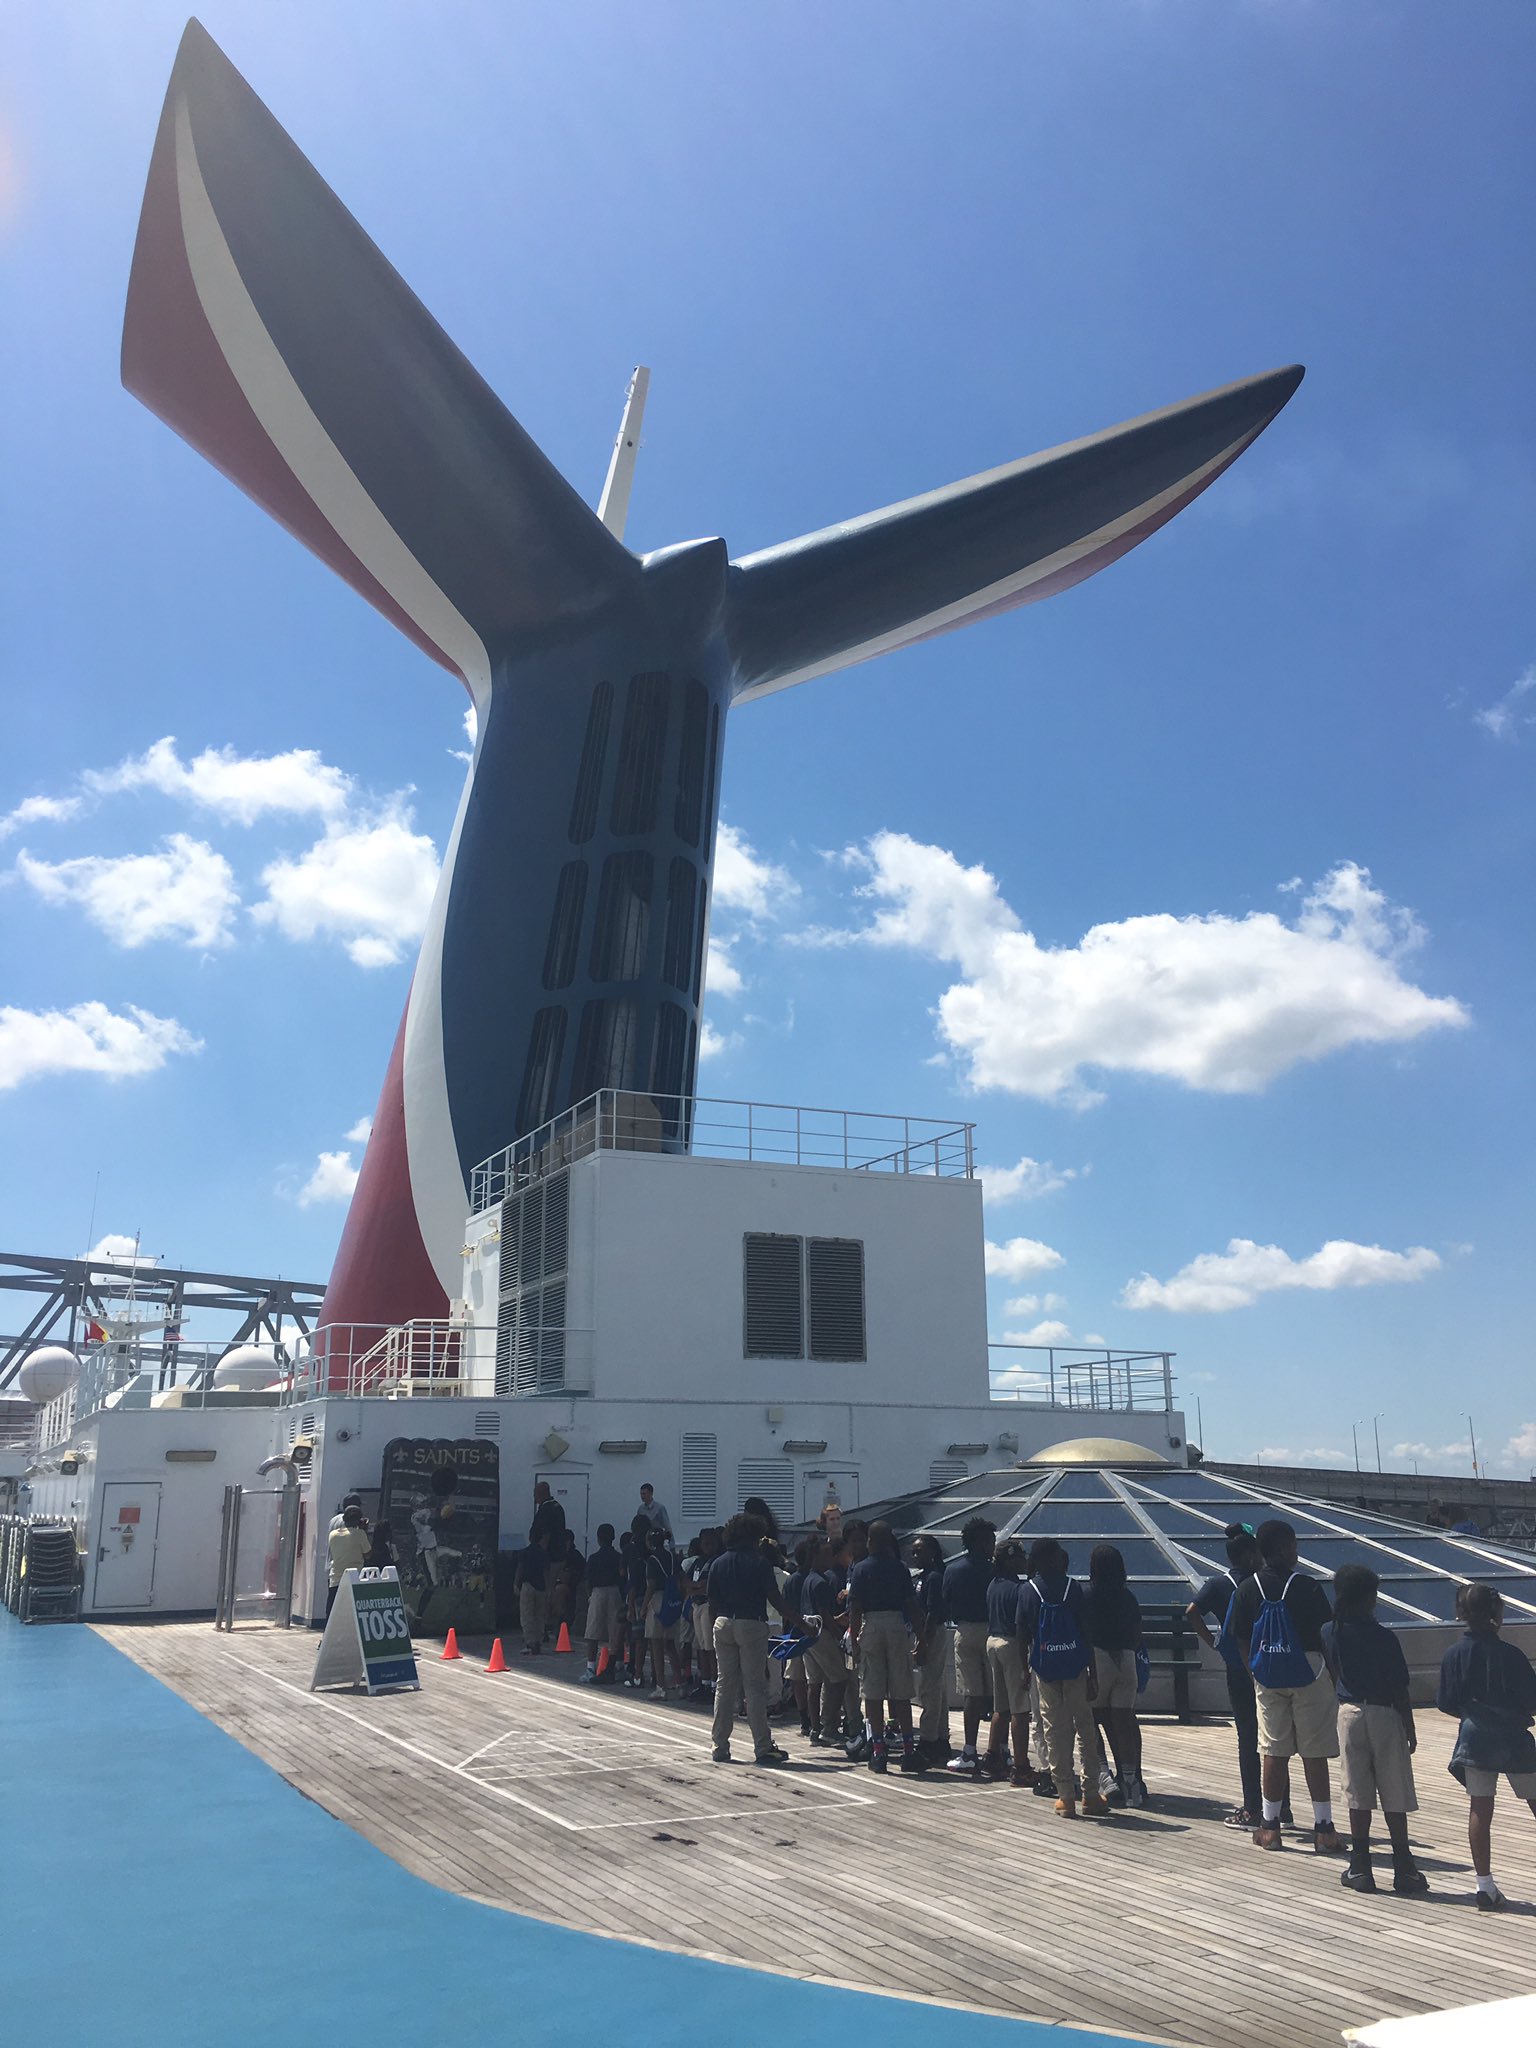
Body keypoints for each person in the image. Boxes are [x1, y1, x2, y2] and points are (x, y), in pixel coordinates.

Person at [1230, 1519, 1346, 1855]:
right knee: (1314, 1751)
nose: (1296, 1551)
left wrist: (1256, 1672)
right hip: (1309, 1673)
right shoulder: (1307, 1586)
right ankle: (1323, 1829)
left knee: (1273, 1750)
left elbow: (1240, 1637)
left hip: (1268, 1674)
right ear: (1283, 1548)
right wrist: (1333, 1676)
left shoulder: (1248, 1588)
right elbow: (1327, 1635)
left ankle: (1269, 1827)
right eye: (1293, 1545)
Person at [1322, 1564, 1428, 1896]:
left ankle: (1361, 1867)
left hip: (1349, 1712)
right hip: (1384, 1712)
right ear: (1370, 1598)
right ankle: (1404, 1868)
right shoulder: (1383, 1636)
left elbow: (1333, 1671)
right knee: (1393, 1790)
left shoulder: (1329, 1631)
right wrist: (1409, 1726)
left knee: (1358, 1792)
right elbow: (1399, 1687)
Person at [1436, 1581, 1536, 1912]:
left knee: (1481, 1808)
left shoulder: (1453, 1654)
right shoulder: (1512, 1655)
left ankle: (1485, 1886)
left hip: (1474, 1736)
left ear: (1460, 1613)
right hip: (1513, 1737)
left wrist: (1470, 1714)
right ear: (1497, 1614)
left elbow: (1445, 1701)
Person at [1020, 1537, 1109, 1818]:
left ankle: (1065, 1796)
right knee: (1084, 1727)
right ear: (1057, 1559)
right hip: (1075, 1667)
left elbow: (1023, 1634)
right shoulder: (1074, 1589)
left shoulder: (1029, 1590)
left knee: (1053, 1730)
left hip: (1045, 1670)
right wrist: (1092, 1672)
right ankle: (1091, 1794)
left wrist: (1025, 1670)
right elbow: (1087, 1634)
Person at [1187, 1523, 1266, 1829]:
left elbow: (1192, 1611)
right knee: (1275, 1737)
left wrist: (1213, 1643)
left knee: (1247, 1736)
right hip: (1268, 1665)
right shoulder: (1263, 1583)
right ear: (1249, 1555)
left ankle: (1252, 1806)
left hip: (1237, 1667)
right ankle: (1281, 1806)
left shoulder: (1219, 1584)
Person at [705, 1512, 795, 1765]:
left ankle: (719, 1746)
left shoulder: (718, 1563)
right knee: (755, 1687)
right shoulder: (758, 1562)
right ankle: (762, 1746)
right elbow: (775, 1600)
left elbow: (712, 1602)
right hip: (751, 1623)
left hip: (722, 1623)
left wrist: (716, 1628)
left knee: (724, 1686)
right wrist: (801, 1623)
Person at [848, 1520, 925, 1774]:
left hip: (871, 1624)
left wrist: (855, 1639)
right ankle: (908, 1750)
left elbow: (855, 1607)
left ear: (870, 1541)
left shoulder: (861, 1569)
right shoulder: (900, 1568)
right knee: (901, 1691)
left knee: (873, 1691)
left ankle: (878, 1751)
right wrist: (921, 1638)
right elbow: (911, 1604)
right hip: (895, 1623)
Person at [1085, 1543, 1146, 1808]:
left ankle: (1103, 1774)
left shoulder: (1088, 1596)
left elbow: (1084, 1632)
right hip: (1126, 1659)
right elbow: (1137, 1631)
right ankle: (1132, 1780)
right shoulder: (1128, 1597)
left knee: (1091, 1719)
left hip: (1099, 1658)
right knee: (1124, 1721)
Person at [943, 1517, 996, 1779]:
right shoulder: (994, 1571)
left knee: (971, 1695)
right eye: (990, 1540)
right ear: (980, 1542)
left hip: (964, 1631)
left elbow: (947, 1602)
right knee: (998, 1694)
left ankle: (969, 1750)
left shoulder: (953, 1570)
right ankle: (999, 1749)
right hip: (992, 1631)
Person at [983, 1539, 1034, 1787]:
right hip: (1012, 1645)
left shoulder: (993, 1585)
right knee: (1020, 1710)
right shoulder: (1019, 1588)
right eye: (1021, 1556)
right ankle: (1021, 1766)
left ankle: (992, 1757)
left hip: (992, 1641)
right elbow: (1022, 1627)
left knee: (1001, 1707)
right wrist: (1026, 1666)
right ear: (1010, 1559)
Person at [801, 1537, 850, 1746]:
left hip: (807, 1630)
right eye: (826, 1553)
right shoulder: (821, 1582)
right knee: (839, 1679)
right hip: (820, 1633)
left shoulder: (808, 1579)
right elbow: (824, 1614)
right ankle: (829, 1727)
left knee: (814, 1681)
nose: (830, 1557)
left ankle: (814, 1727)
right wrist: (840, 1637)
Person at [911, 1534, 950, 1764]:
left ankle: (928, 1739)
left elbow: (932, 1612)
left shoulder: (934, 1577)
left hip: (932, 1632)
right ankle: (941, 1736)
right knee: (936, 1686)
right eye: (913, 1552)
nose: (915, 1556)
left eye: (920, 1551)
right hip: (927, 1632)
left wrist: (923, 1642)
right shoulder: (925, 1577)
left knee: (929, 1687)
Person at [643, 1526, 685, 1698]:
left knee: (656, 1645)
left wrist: (644, 1605)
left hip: (658, 1599)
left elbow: (651, 1586)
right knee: (671, 1644)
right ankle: (679, 1682)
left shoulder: (652, 1560)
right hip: (672, 1598)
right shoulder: (672, 1557)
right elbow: (681, 1578)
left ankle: (661, 1686)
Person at [581, 1523, 624, 1682]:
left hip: (598, 1592)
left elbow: (588, 1580)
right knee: (616, 1632)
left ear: (598, 1539)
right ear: (613, 1538)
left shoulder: (593, 1558)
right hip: (615, 1592)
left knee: (593, 1632)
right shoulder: (618, 1557)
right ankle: (619, 1666)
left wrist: (589, 1595)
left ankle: (591, 1668)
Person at [326, 1504, 369, 1617]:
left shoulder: (333, 1535)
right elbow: (368, 1554)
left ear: (344, 1519)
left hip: (335, 1578)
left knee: (332, 1611)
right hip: (354, 1578)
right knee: (351, 1613)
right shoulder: (360, 1534)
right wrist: (364, 1530)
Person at [515, 1530, 550, 1654]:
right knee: (539, 1615)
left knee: (527, 1615)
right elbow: (546, 1572)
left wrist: (515, 1584)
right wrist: (548, 1589)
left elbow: (520, 1569)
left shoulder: (524, 1552)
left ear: (530, 1538)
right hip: (541, 1587)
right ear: (541, 1538)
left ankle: (530, 1643)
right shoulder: (543, 1554)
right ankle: (538, 1642)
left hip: (527, 1585)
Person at [529, 1480, 566, 1549]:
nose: (534, 1497)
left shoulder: (545, 1510)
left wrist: (540, 1554)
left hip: (548, 1554)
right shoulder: (558, 1507)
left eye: (535, 1494)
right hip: (558, 1552)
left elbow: (546, 1534)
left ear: (540, 1494)